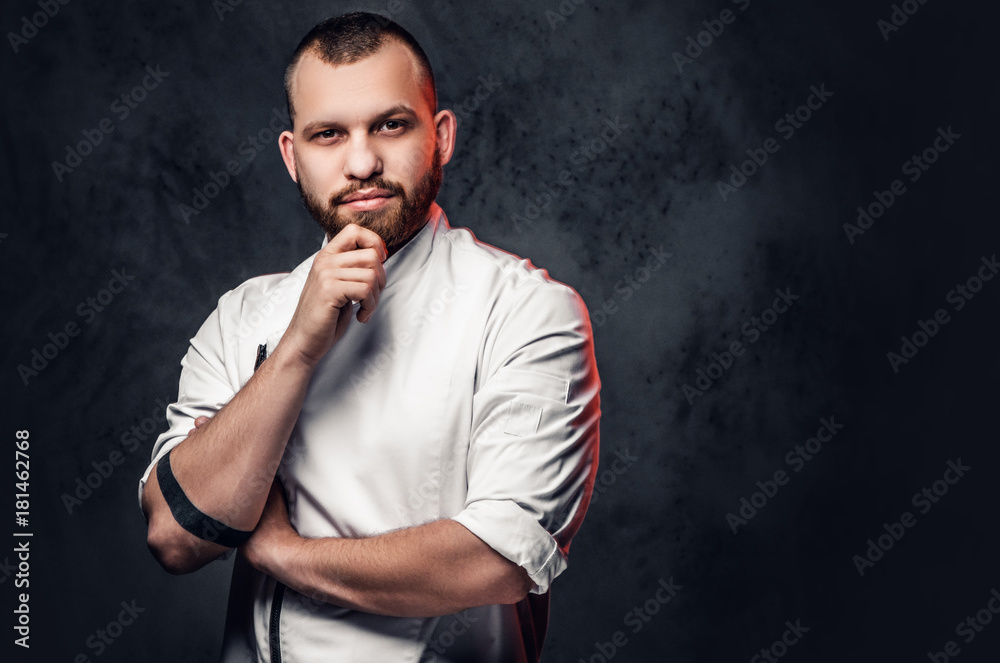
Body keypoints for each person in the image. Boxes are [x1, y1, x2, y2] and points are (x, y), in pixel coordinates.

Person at [138, 12, 601, 662]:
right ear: (292, 156)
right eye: (329, 134)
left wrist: (281, 552)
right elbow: (175, 534)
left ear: (440, 137)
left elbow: (495, 558)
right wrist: (298, 346)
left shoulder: (528, 311)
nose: (362, 162)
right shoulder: (245, 315)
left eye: (390, 124)